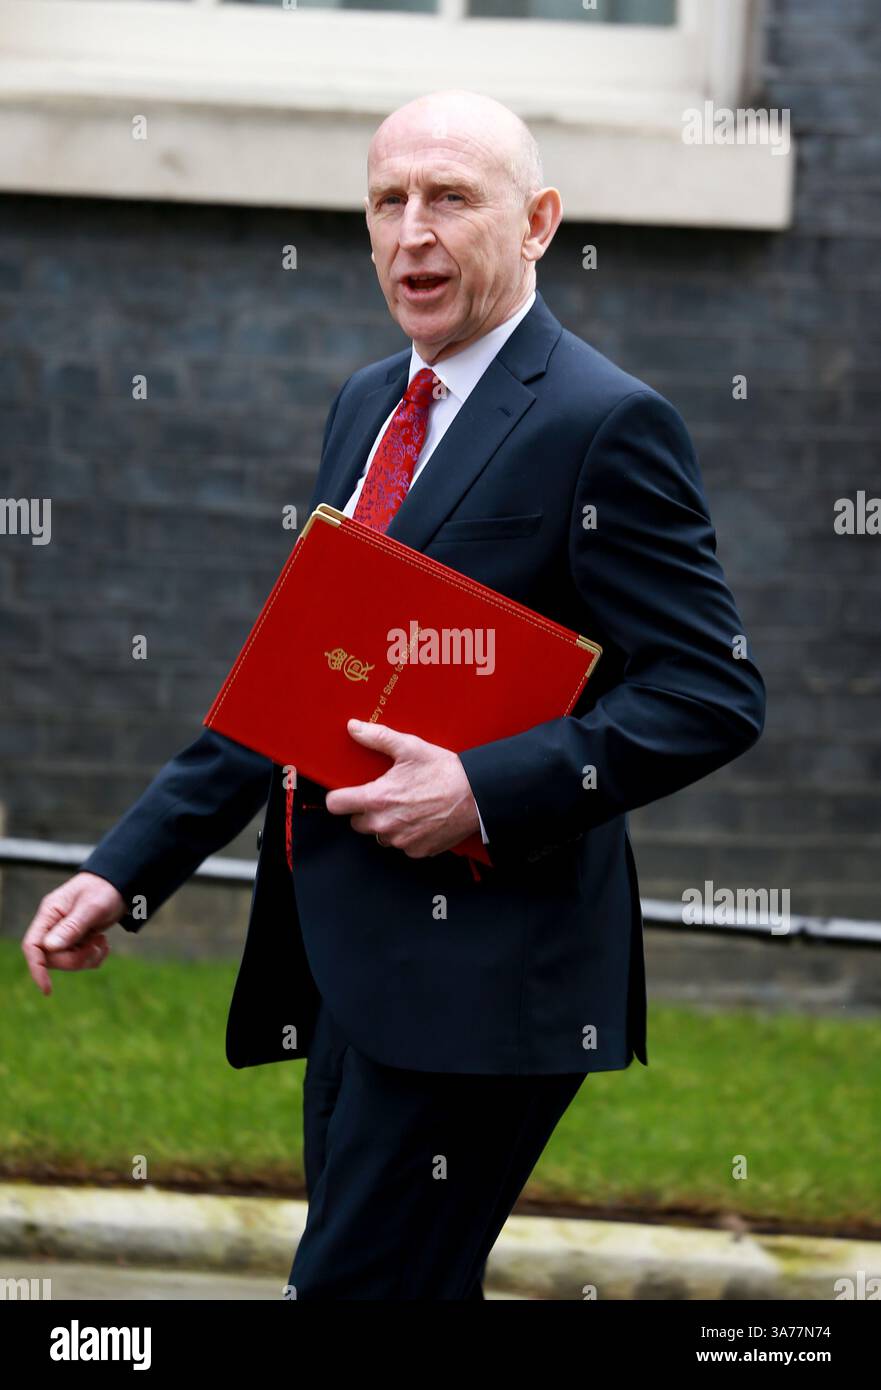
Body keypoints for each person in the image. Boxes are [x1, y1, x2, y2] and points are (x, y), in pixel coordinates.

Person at [22, 89, 765, 1300]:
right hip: (350, 962)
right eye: (387, 201)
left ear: (537, 224)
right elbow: (295, 682)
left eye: (449, 199)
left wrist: (480, 788)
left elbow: (710, 692)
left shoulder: (605, 423)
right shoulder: (369, 403)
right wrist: (127, 868)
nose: (411, 231)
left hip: (487, 980)